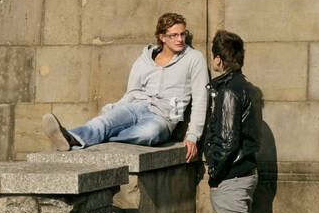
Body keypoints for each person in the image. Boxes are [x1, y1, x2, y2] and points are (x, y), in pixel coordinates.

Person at [43, 12, 207, 162]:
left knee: (149, 134)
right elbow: (132, 92)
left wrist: (192, 136)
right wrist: (115, 109)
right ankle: (70, 137)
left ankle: (99, 136)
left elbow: (200, 99)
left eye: (182, 34)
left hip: (162, 118)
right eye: (174, 35)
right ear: (162, 37)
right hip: (135, 106)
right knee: (104, 121)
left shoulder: (194, 59)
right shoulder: (145, 59)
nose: (180, 39)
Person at [203, 30, 259, 213]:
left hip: (231, 178)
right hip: (244, 174)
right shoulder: (247, 87)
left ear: (218, 59)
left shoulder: (229, 91)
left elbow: (227, 142)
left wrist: (214, 178)